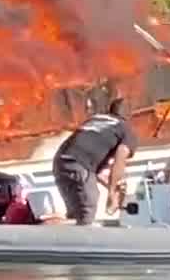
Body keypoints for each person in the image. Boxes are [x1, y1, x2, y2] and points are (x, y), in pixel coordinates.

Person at [52, 95, 135, 225]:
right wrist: (112, 193)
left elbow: (94, 171)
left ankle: (58, 235)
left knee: (75, 215)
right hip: (78, 163)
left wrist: (110, 185)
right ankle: (78, 240)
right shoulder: (124, 129)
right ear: (129, 116)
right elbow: (120, 161)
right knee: (88, 208)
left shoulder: (95, 120)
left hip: (60, 162)